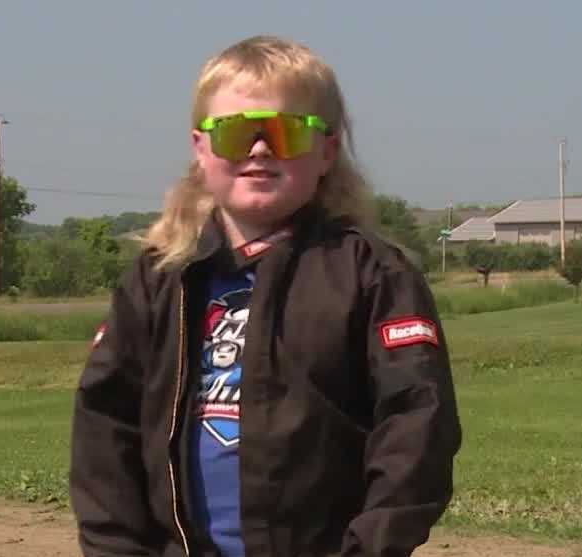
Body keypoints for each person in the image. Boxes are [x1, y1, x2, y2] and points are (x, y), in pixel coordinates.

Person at [69, 35, 462, 557]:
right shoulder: (158, 278)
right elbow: (104, 425)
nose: (259, 149)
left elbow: (418, 427)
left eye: (283, 132)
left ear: (325, 151)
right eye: (236, 133)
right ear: (200, 148)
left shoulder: (372, 273)